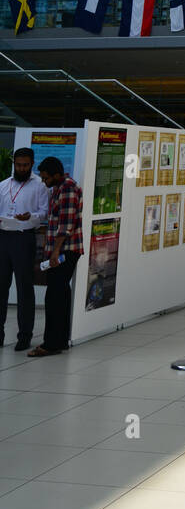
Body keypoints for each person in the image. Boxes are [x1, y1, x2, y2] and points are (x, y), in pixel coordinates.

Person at [28, 156, 83, 357]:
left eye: (46, 178)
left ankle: (51, 344)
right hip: (60, 250)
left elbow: (66, 225)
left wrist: (56, 251)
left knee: (55, 297)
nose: (44, 181)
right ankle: (59, 340)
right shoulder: (59, 188)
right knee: (59, 295)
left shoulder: (68, 188)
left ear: (57, 174)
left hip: (65, 250)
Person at [0, 147, 50, 351]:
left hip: (24, 238)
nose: (21, 169)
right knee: (1, 288)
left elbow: (45, 213)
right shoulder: (3, 185)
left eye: (25, 165)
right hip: (3, 236)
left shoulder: (39, 186)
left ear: (31, 164)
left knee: (24, 288)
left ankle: (24, 336)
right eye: (18, 165)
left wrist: (30, 217)